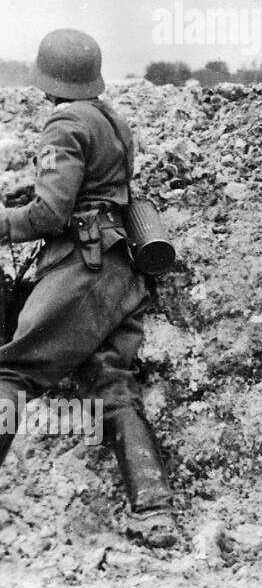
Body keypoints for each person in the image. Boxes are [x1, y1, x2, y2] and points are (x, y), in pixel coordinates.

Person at [0, 29, 179, 548]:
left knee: (11, 370)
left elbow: (49, 212)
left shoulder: (64, 121)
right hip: (122, 269)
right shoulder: (112, 120)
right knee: (112, 384)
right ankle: (155, 513)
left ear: (47, 78)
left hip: (84, 267)